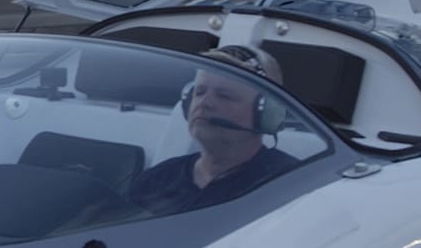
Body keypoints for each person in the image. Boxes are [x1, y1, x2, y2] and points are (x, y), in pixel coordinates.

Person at [127, 45, 300, 214]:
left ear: (266, 113)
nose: (204, 103)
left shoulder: (292, 186)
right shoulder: (155, 179)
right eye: (200, 92)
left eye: (225, 96)